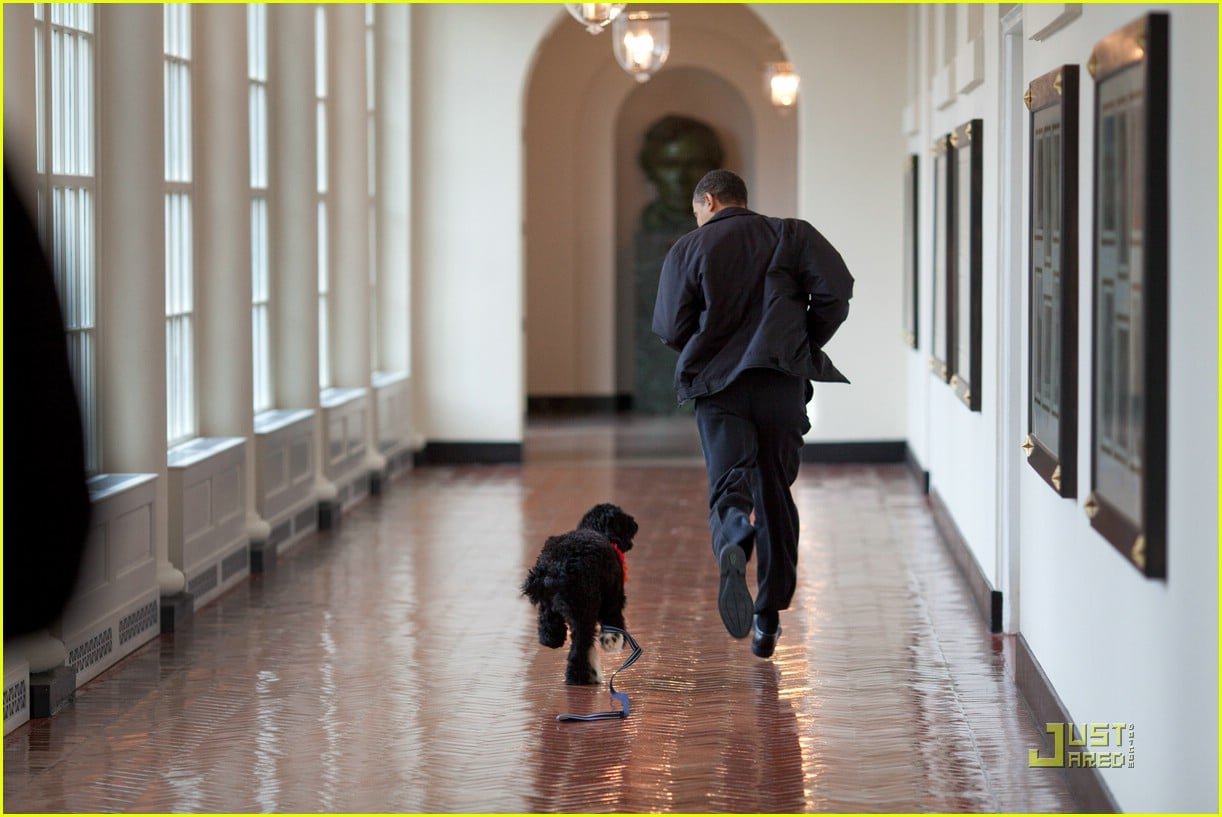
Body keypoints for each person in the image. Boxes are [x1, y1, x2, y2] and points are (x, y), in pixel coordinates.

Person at [651, 169, 853, 658]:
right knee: (775, 491)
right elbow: (836, 291)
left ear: (711, 201)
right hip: (780, 382)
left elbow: (669, 325)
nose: (698, 220)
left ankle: (735, 535)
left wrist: (706, 345)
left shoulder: (689, 248)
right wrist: (798, 341)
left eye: (697, 211)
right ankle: (767, 616)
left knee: (730, 482)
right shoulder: (791, 234)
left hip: (721, 387)